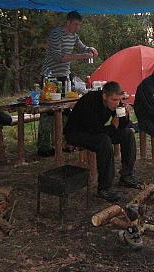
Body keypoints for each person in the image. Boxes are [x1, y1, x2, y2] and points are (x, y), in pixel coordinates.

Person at [64, 81, 138, 202]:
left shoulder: (114, 103)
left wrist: (125, 115)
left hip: (96, 131)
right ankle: (104, 188)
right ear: (104, 96)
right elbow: (93, 129)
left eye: (119, 100)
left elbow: (122, 126)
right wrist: (112, 127)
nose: (116, 103)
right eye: (114, 100)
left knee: (128, 133)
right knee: (104, 141)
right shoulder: (90, 101)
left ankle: (126, 175)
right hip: (77, 133)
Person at [37, 11, 98, 157]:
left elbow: (82, 47)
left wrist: (90, 49)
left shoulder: (74, 36)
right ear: (68, 22)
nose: (77, 28)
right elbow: (60, 57)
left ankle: (67, 142)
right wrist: (82, 56)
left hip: (64, 76)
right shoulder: (56, 34)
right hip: (50, 76)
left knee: (65, 111)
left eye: (79, 25)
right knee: (48, 112)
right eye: (75, 24)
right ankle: (44, 147)